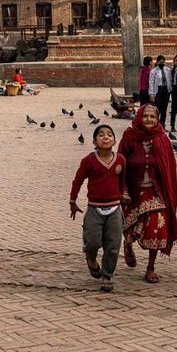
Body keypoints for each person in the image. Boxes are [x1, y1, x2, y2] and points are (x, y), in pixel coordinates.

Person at [118, 102, 177, 283]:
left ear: (158, 119)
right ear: (139, 117)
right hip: (132, 192)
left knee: (156, 225)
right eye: (145, 116)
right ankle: (128, 245)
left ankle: (150, 267)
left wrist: (168, 193)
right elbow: (119, 165)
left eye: (152, 117)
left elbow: (170, 169)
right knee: (130, 227)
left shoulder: (162, 139)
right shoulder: (129, 137)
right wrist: (123, 190)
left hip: (155, 191)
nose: (149, 120)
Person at [70, 124, 128, 293]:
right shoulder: (89, 161)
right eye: (101, 135)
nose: (105, 137)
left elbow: (123, 182)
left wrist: (124, 194)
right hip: (95, 208)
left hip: (114, 209)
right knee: (93, 242)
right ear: (94, 141)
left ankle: (107, 276)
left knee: (113, 245)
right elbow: (78, 180)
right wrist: (73, 201)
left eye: (109, 134)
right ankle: (91, 258)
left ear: (115, 140)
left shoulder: (121, 160)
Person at [149, 56, 172, 125]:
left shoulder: (167, 70)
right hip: (158, 90)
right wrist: (151, 94)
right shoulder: (153, 71)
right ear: (157, 62)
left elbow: (170, 80)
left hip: (166, 90)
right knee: (157, 109)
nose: (162, 63)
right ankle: (156, 124)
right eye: (160, 62)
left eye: (163, 62)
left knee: (164, 109)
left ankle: (162, 125)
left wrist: (170, 90)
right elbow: (151, 83)